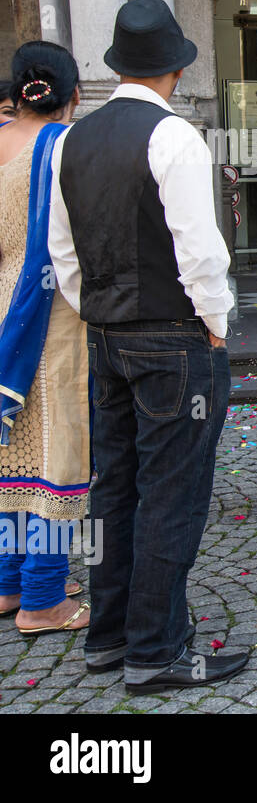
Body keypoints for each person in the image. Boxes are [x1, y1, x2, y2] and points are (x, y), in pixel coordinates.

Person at [48, 0, 248, 692]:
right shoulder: (174, 137)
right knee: (172, 494)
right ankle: (156, 649)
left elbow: (63, 251)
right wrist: (216, 323)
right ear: (175, 68)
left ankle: (109, 637)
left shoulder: (73, 138)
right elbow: (200, 249)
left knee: (117, 489)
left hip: (106, 333)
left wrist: (97, 309)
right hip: (172, 337)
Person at [0, 43, 90, 637]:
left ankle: (8, 584)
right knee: (58, 447)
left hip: (2, 295)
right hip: (51, 307)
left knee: (10, 448)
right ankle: (42, 598)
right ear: (73, 94)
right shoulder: (61, 149)